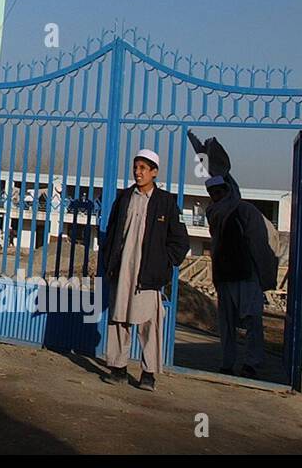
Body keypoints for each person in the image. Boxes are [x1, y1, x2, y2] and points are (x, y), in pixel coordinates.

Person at [190, 131, 278, 378]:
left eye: (220, 192)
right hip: (226, 276)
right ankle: (227, 362)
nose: (216, 197)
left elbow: (260, 245)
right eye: (213, 194)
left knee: (252, 322)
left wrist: (263, 276)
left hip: (246, 276)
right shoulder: (214, 215)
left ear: (227, 190)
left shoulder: (245, 211)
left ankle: (252, 363)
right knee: (227, 324)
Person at [100, 149, 189, 392]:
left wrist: (164, 263)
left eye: (143, 168)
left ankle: (148, 374)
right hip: (122, 271)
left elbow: (180, 240)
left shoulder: (166, 202)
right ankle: (118, 368)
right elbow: (112, 231)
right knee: (119, 320)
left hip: (149, 275)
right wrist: (109, 259)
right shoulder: (124, 198)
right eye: (135, 167)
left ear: (154, 172)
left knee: (149, 324)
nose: (138, 173)